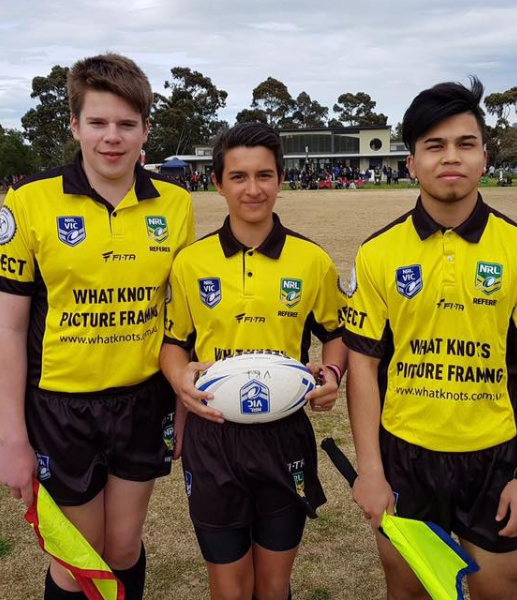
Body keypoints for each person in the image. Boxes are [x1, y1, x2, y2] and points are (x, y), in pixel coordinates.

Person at [344, 78, 517, 600]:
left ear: (485, 157)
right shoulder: (377, 253)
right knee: (409, 590)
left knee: (496, 590)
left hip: (494, 457)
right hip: (406, 455)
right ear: (411, 163)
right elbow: (361, 368)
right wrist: (371, 471)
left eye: (466, 144)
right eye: (434, 146)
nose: (452, 157)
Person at [0, 53, 194, 600]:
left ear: (145, 130)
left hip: (142, 401)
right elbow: (6, 328)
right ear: (75, 125)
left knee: (123, 548)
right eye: (98, 122)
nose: (112, 138)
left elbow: (181, 318)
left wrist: (181, 396)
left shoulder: (175, 204)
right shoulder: (30, 201)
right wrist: (11, 438)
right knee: (79, 560)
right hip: (60, 408)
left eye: (127, 124)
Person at [161, 123, 347, 600]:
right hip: (213, 434)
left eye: (264, 175)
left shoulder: (311, 260)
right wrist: (179, 379)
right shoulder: (190, 263)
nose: (253, 188)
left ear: (281, 179)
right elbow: (172, 343)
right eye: (239, 176)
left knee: (273, 584)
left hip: (283, 434)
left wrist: (331, 375)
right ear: (218, 183)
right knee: (228, 587)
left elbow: (336, 336)